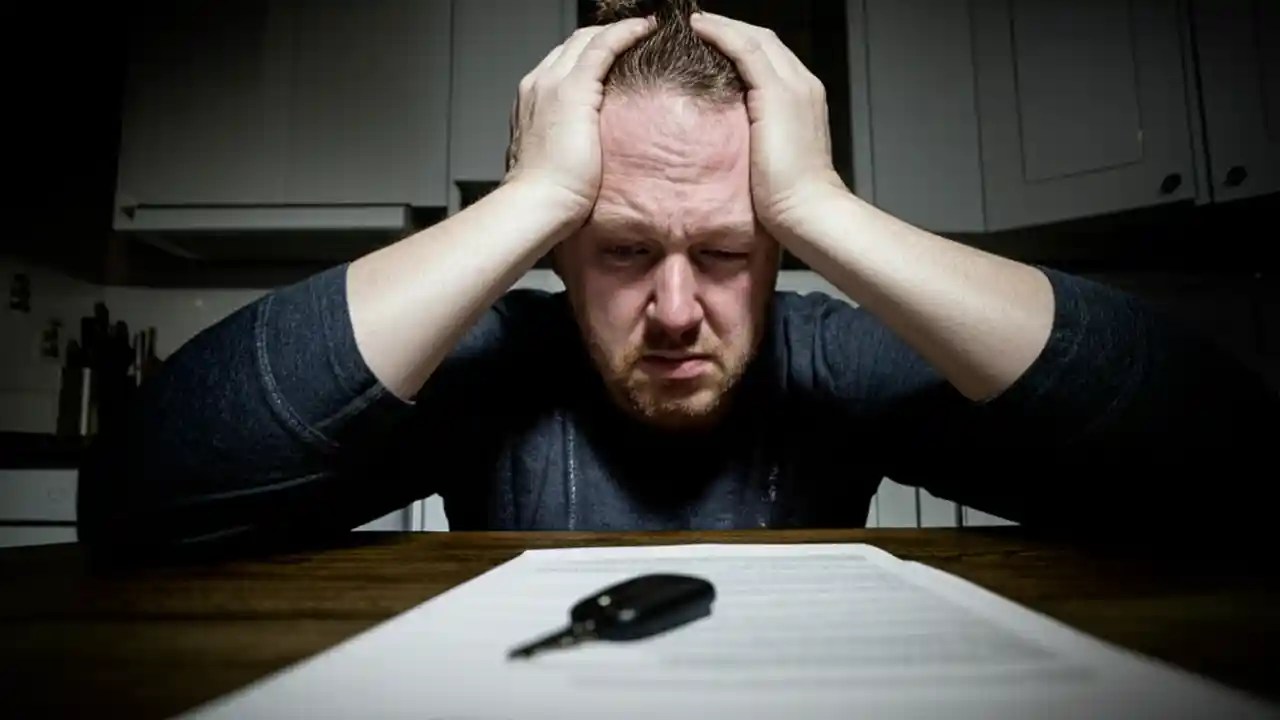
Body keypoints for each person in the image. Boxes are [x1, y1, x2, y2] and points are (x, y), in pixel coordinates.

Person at [79, 0, 1278, 557]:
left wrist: (821, 211)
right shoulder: (499, 366)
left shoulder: (821, 358)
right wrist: (525, 202)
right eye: (614, 249)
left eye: (723, 253)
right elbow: (137, 496)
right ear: (554, 251)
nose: (671, 309)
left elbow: (1228, 465)